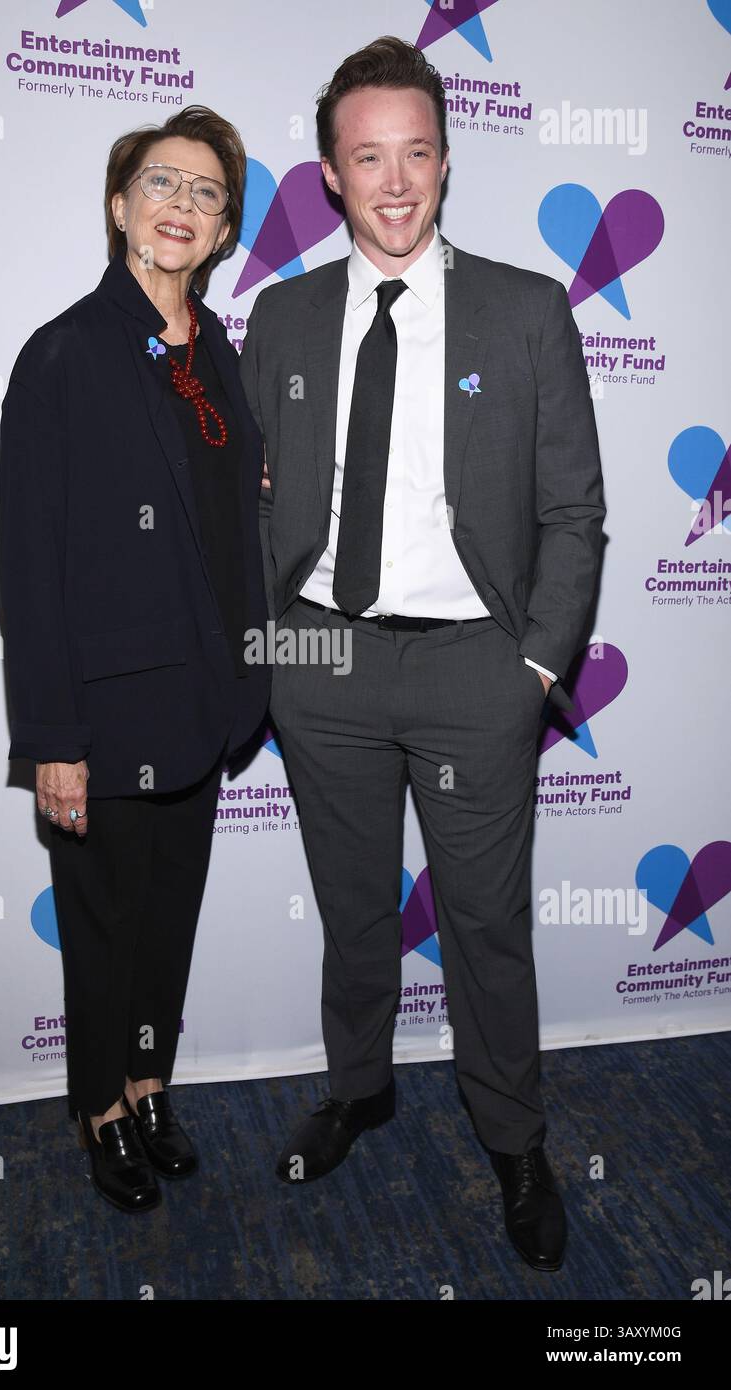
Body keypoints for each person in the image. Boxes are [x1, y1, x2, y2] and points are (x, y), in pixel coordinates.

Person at [240, 38, 605, 1270]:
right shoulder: (282, 314)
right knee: (354, 913)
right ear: (331, 175)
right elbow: (248, 499)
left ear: (445, 161)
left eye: (414, 155)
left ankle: (512, 1139)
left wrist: (537, 669)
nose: (392, 185)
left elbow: (572, 512)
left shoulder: (526, 308)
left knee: (487, 924)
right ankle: (358, 1089)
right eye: (365, 158)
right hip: (324, 666)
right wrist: (270, 647)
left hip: (472, 671)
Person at [0, 108, 270, 1213]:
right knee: (103, 929)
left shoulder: (217, 356)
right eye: (161, 183)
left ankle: (150, 1081)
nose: (180, 207)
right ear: (120, 206)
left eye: (206, 195)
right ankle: (99, 1108)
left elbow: (233, 520)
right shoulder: (62, 353)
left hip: (199, 702)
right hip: (105, 714)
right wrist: (51, 737)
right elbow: (29, 563)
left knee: (168, 919)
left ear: (220, 230)